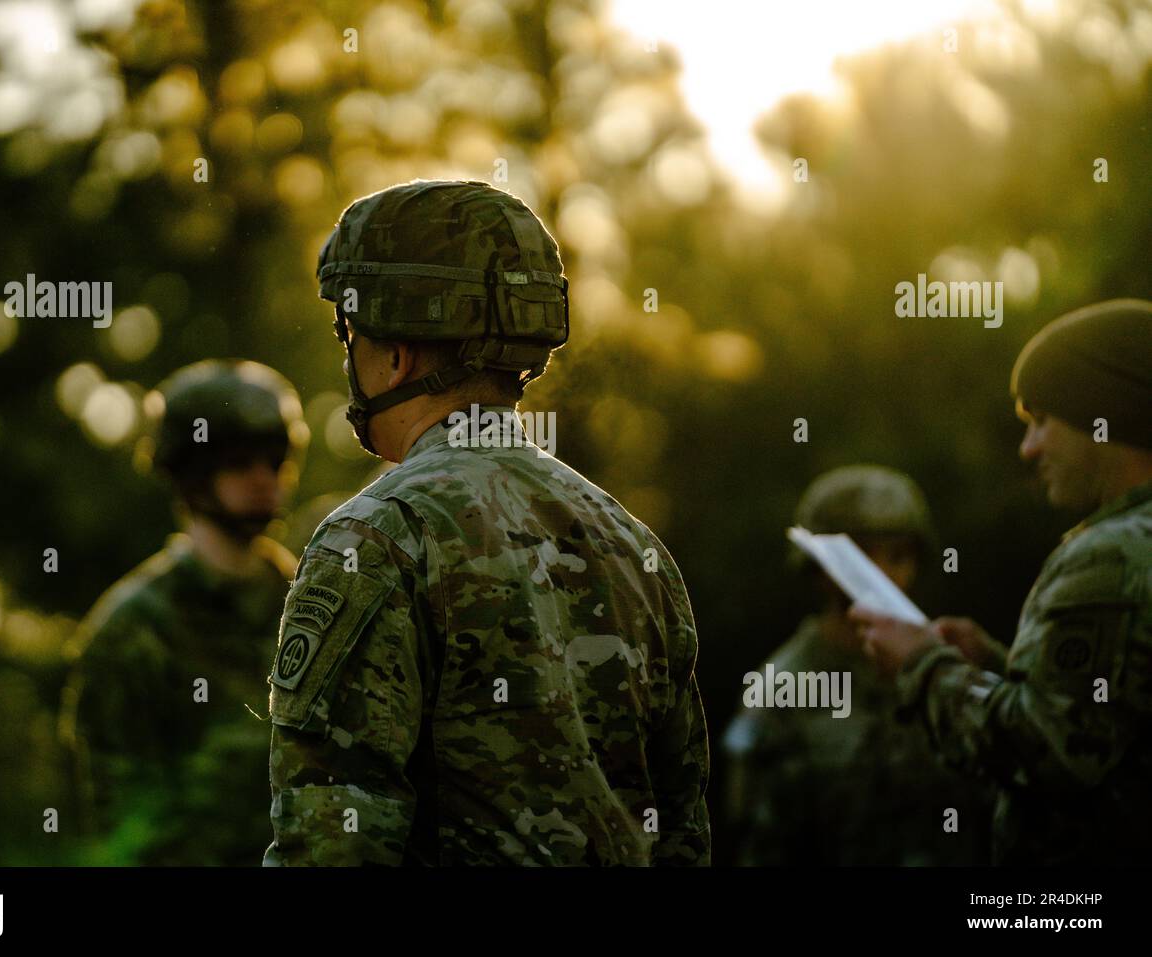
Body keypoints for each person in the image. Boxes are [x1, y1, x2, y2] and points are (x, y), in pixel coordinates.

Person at [263, 179, 710, 866]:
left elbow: (330, 842)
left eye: (354, 337)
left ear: (396, 355)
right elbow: (682, 831)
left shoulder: (379, 537)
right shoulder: (633, 545)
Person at [852, 298, 1152, 865]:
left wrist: (921, 665)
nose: (1028, 447)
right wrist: (993, 666)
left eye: (1042, 420)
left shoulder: (1112, 555)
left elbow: (1048, 752)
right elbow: (1108, 717)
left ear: (1102, 411)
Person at [60, 359, 307, 865]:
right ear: (192, 474)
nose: (264, 476)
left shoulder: (315, 602)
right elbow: (120, 827)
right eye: (239, 459)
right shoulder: (130, 628)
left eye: (274, 456)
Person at [723, 465, 992, 865]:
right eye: (862, 554)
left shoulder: (943, 666)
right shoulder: (783, 687)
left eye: (899, 554)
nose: (881, 572)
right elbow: (759, 839)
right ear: (817, 567)